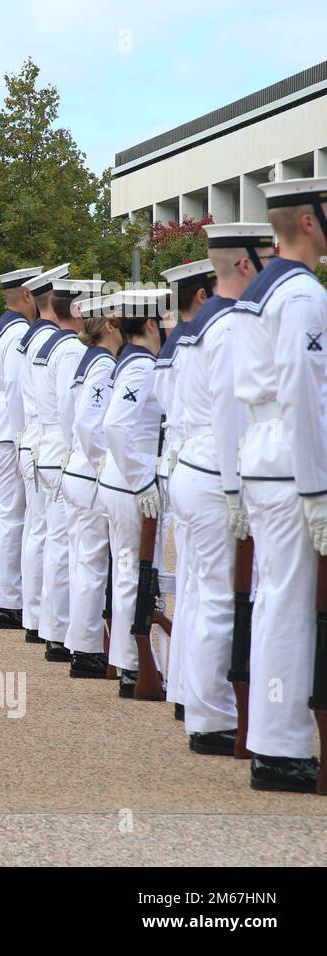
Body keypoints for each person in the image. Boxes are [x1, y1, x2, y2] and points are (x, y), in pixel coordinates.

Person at [233, 178, 327, 793]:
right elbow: (305, 391)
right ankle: (285, 746)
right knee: (290, 607)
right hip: (292, 464)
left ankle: (271, 738)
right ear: (310, 222)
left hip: (262, 458)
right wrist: (319, 488)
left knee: (273, 602)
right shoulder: (301, 295)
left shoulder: (256, 292)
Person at [171, 224, 274, 757]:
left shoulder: (198, 324)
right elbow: (232, 413)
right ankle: (213, 719)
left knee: (198, 592)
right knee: (218, 598)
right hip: (217, 472)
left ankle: (196, 698)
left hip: (196, 466)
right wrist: (238, 491)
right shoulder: (231, 324)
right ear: (244, 263)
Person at [98, 288, 170, 699]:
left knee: (131, 575)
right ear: (148, 324)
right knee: (136, 575)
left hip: (121, 479)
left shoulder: (129, 363)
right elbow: (115, 426)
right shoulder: (142, 367)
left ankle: (129, 662)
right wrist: (143, 479)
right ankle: (132, 666)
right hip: (131, 484)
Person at [154, 258, 217, 720]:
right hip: (207, 459)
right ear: (201, 294)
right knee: (211, 591)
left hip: (183, 457)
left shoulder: (178, 339)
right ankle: (208, 705)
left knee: (194, 588)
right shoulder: (213, 331)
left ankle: (185, 689)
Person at [33, 277, 102, 661]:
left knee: (53, 540)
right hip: (61, 446)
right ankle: (60, 633)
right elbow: (69, 409)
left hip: (44, 442)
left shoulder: (48, 342)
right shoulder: (72, 349)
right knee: (63, 544)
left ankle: (53, 628)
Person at [60, 295, 122, 678]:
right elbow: (87, 423)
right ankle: (85, 648)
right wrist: (104, 462)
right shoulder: (102, 364)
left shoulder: (88, 361)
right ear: (110, 326)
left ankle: (80, 642)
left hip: (77, 467)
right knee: (91, 563)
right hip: (90, 471)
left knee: (84, 559)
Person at [9, 264, 69, 641]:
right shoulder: (57, 344)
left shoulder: (29, 339)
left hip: (32, 438)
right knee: (53, 537)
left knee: (37, 531)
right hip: (51, 441)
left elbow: (14, 396)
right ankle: (49, 624)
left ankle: (35, 618)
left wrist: (21, 436)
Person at [0, 268, 41, 628]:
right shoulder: (18, 330)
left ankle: (0, 597)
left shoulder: (3, 327)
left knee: (6, 514)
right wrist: (24, 436)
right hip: (9, 428)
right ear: (29, 295)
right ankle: (7, 601)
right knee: (14, 517)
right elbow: (17, 385)